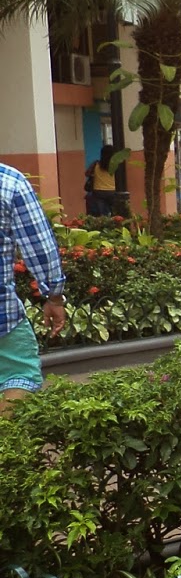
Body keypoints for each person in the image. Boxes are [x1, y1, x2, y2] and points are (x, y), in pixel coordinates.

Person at [1, 163, 66, 410]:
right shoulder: (8, 182)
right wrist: (54, 296)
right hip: (3, 320)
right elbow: (40, 248)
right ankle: (8, 443)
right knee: (17, 375)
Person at [84, 144, 118, 216]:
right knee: (115, 214)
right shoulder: (116, 165)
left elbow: (87, 174)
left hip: (98, 192)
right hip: (113, 191)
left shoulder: (96, 164)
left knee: (101, 214)